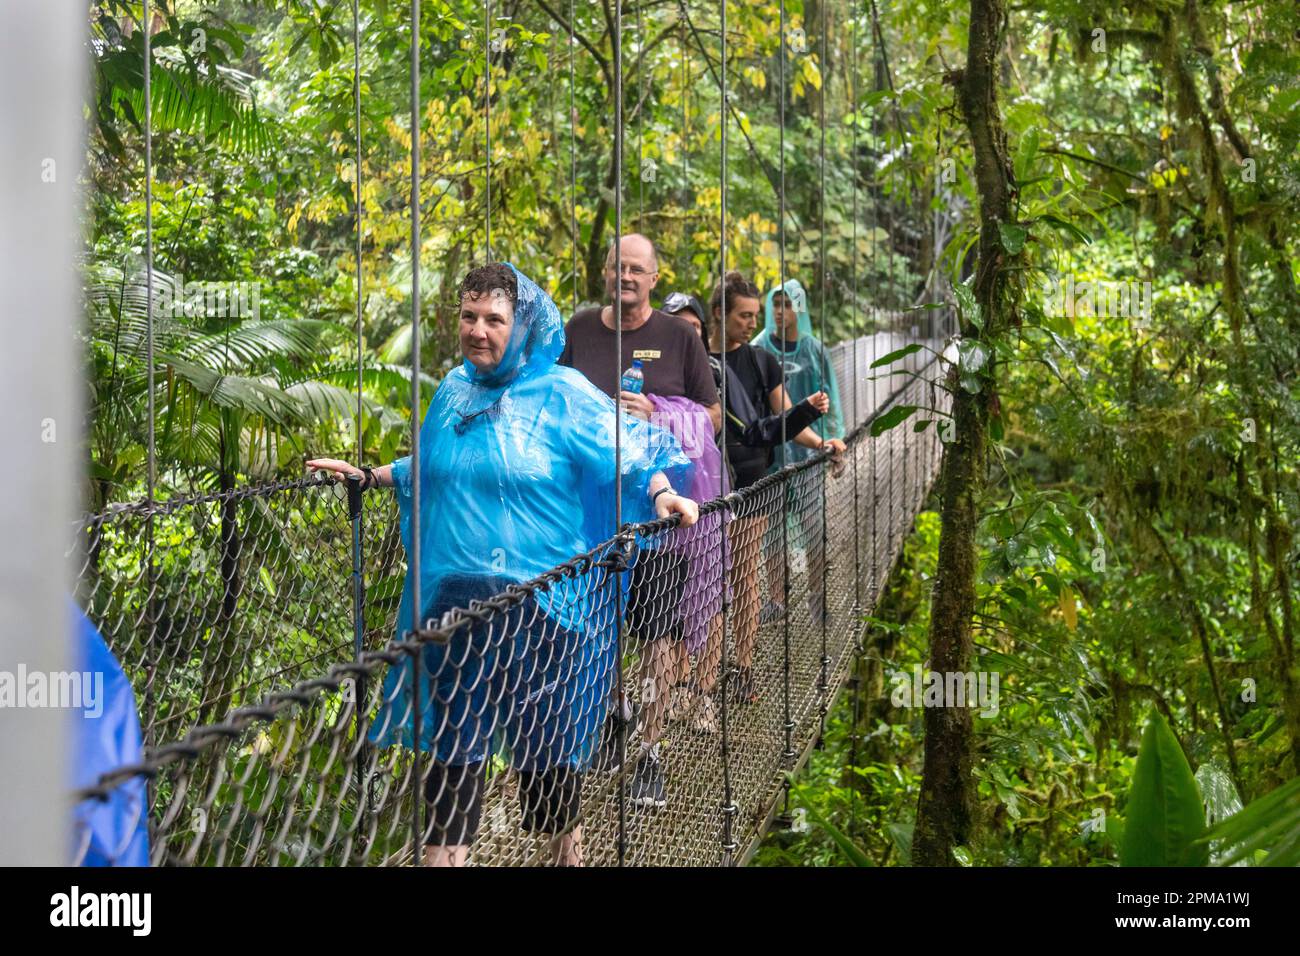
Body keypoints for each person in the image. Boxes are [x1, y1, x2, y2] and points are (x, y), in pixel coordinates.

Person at [307, 263, 698, 864]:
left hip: (542, 608)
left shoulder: (560, 393)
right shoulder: (451, 393)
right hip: (455, 607)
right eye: (469, 316)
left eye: (495, 319)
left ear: (522, 327)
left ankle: (567, 848)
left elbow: (626, 448)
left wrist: (661, 494)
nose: (479, 331)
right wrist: (375, 475)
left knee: (544, 763)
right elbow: (438, 463)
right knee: (454, 748)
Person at [559, 234, 721, 810]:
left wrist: (662, 414)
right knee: (595, 633)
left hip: (659, 519)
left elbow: (713, 418)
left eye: (637, 269)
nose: (626, 276)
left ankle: (648, 754)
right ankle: (608, 716)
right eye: (617, 266)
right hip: (588, 519)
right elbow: (550, 402)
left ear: (654, 277)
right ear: (604, 273)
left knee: (656, 640)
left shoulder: (679, 336)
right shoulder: (578, 330)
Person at [667, 275, 839, 707]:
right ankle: (690, 677)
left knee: (742, 578)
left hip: (750, 488)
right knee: (700, 583)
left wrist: (822, 444)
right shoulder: (691, 361)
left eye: (753, 315)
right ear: (720, 315)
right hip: (697, 490)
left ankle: (741, 667)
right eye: (745, 315)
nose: (753, 322)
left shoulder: (763, 362)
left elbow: (782, 424)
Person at [752, 279, 847, 626]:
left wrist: (835, 439)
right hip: (772, 457)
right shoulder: (759, 347)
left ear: (799, 308)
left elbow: (831, 399)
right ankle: (776, 601)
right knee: (773, 534)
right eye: (775, 304)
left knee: (814, 528)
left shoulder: (813, 350)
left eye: (787, 304)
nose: (780, 311)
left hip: (809, 456)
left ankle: (817, 598)